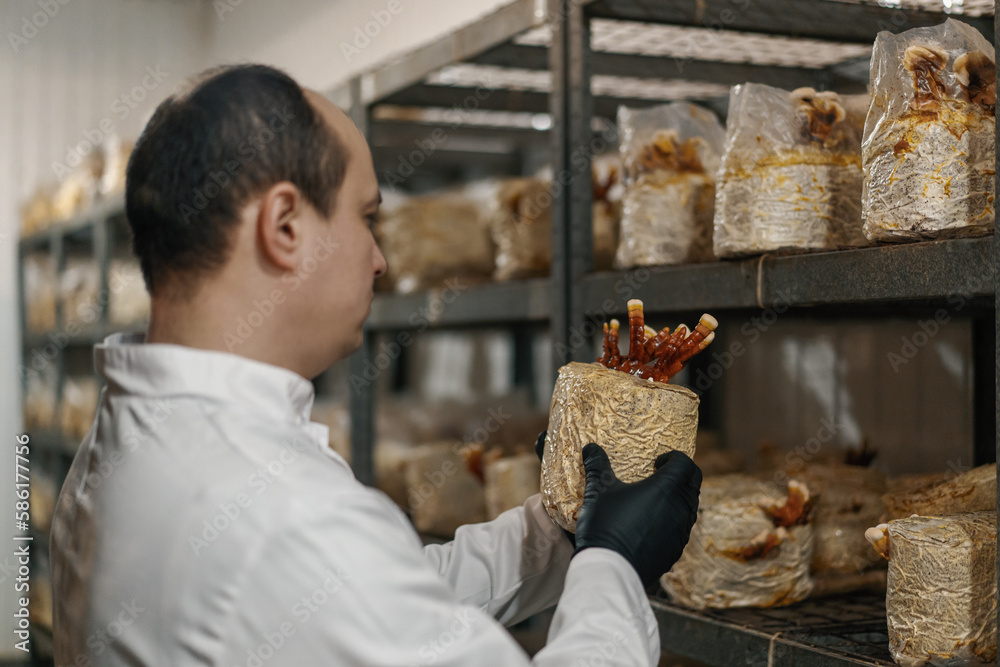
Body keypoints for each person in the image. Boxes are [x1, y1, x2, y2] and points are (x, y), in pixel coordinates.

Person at [50, 64, 702, 666]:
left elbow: (388, 601)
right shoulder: (281, 519)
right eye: (366, 218)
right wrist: (613, 561)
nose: (380, 260)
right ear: (283, 226)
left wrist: (560, 526)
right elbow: (341, 582)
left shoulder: (124, 441)